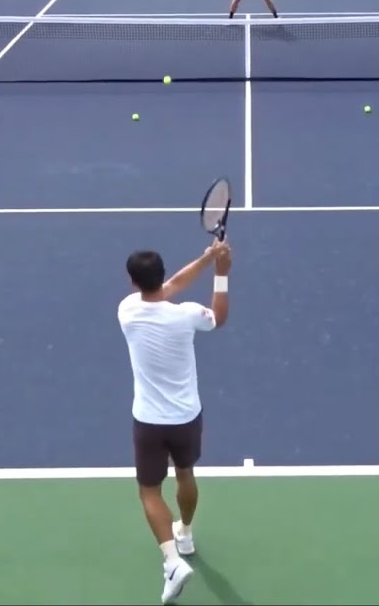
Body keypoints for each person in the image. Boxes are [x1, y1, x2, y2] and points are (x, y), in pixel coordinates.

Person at [117, 240, 232, 604]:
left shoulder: (127, 311)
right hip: (186, 417)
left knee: (149, 492)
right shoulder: (186, 316)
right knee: (185, 474)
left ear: (132, 282)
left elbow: (170, 287)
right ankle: (186, 534)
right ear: (161, 275)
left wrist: (205, 258)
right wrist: (221, 272)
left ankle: (172, 561)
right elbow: (218, 316)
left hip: (148, 421)